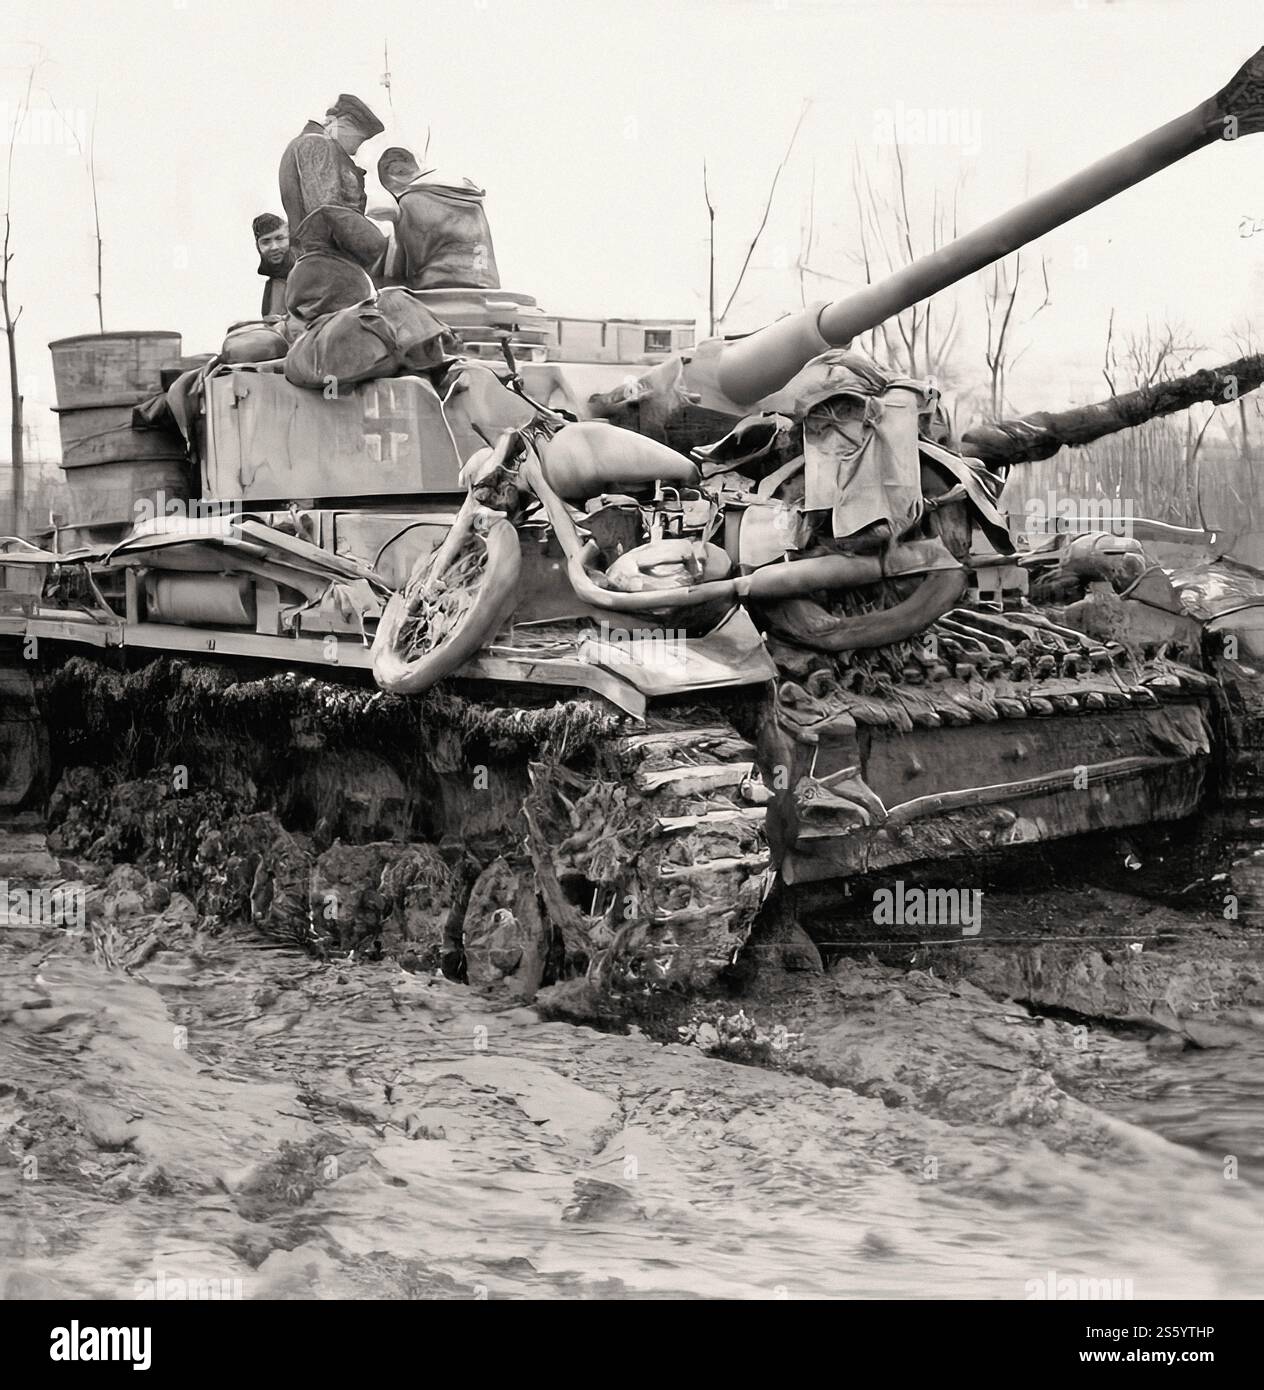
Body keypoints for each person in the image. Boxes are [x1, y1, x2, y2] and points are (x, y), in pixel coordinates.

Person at [278, 94, 389, 326]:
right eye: (358, 141)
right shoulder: (317, 143)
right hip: (330, 272)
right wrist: (378, 246)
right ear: (342, 124)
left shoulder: (308, 143)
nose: (356, 151)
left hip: (323, 270)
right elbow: (328, 212)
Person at [376, 146, 500, 291]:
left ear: (394, 175)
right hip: (485, 282)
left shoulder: (410, 201)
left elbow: (404, 263)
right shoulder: (469, 196)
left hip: (439, 284)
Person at [252, 213, 293, 317]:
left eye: (280, 239)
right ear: (258, 247)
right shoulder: (272, 286)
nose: (274, 247)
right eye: (266, 242)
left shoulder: (309, 271)